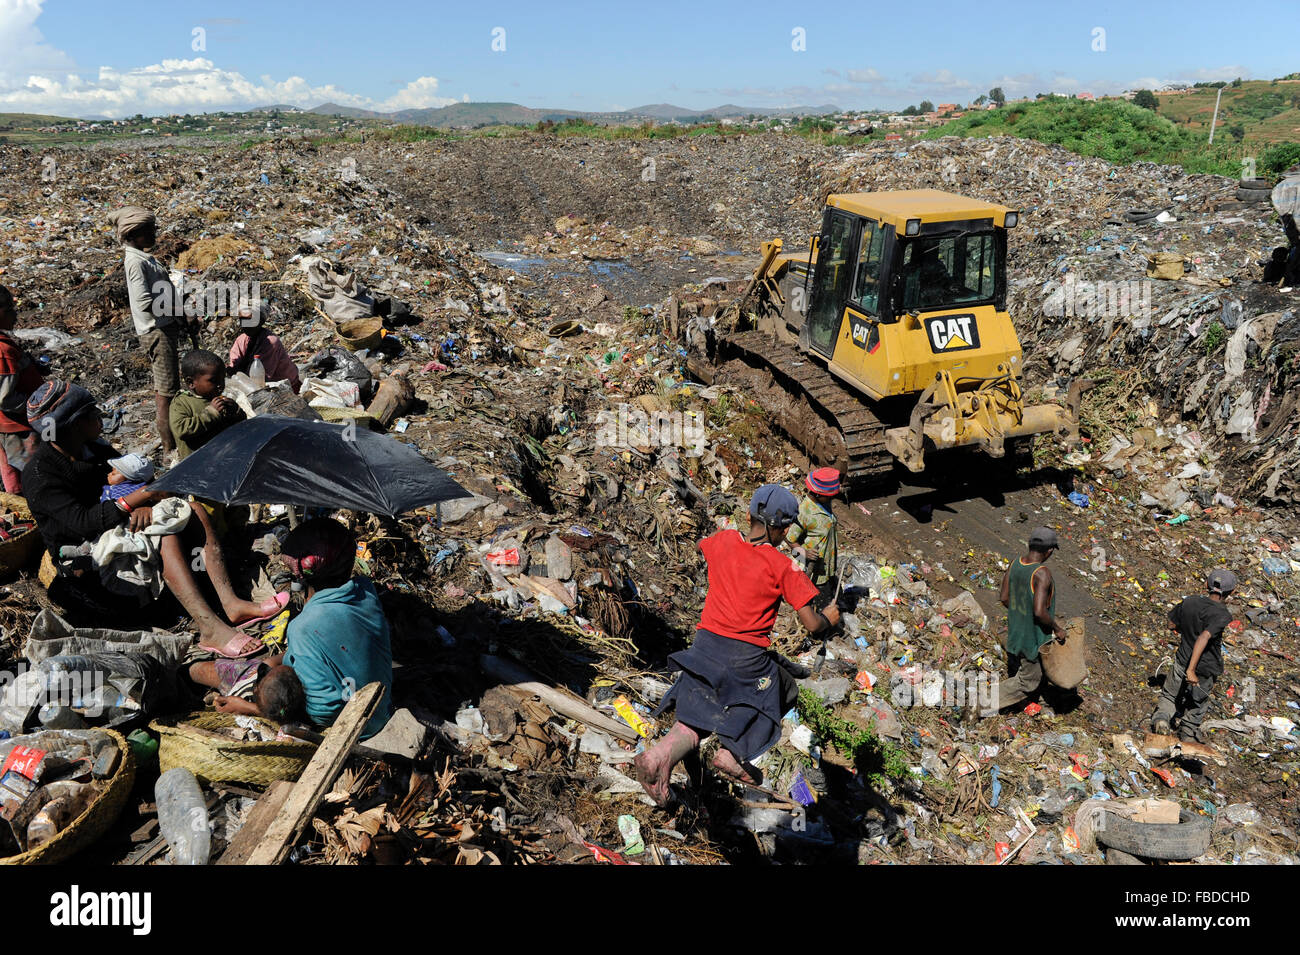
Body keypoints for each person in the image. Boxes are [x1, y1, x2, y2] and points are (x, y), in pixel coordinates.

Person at [20, 379, 274, 657]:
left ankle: (230, 603)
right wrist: (138, 500)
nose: (99, 417)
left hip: (117, 524)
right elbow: (83, 521)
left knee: (195, 511)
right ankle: (209, 626)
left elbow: (136, 480)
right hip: (86, 554)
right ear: (75, 424)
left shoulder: (94, 449)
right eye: (92, 413)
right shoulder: (40, 475)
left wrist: (145, 497)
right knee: (164, 533)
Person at [635, 484, 841, 806]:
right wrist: (830, 617)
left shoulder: (723, 541)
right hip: (744, 658)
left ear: (748, 514)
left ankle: (658, 758)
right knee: (780, 689)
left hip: (702, 650)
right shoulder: (783, 566)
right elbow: (812, 625)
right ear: (784, 529)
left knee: (695, 715)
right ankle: (733, 754)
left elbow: (705, 546)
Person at [275, 519, 393, 740]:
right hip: (382, 711)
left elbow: (324, 710)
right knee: (274, 663)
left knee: (264, 685)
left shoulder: (302, 627)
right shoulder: (365, 591)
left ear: (299, 573)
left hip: (357, 729)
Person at [110, 206, 186, 463]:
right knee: (166, 392)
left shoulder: (144, 258)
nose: (155, 233)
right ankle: (169, 451)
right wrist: (176, 310)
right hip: (156, 331)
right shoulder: (134, 262)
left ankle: (174, 442)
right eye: (149, 230)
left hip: (165, 327)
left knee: (170, 389)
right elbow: (144, 300)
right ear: (134, 233)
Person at [1150, 569, 1237, 742]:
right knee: (1197, 703)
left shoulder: (1190, 602)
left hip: (1182, 659)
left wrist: (1185, 628)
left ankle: (1161, 720)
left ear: (1206, 585)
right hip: (1204, 668)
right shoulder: (1222, 614)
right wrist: (1191, 670)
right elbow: (1204, 637)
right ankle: (1187, 734)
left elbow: (1171, 624)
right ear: (1232, 592)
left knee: (1170, 695)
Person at [996, 526, 1068, 711]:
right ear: (1050, 550)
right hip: (1032, 639)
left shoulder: (1015, 563)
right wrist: (1057, 628)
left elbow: (1004, 597)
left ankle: (1038, 701)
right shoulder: (1042, 573)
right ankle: (980, 703)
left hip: (1015, 632)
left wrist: (1020, 614)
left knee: (1032, 670)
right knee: (1027, 681)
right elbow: (1039, 611)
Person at [0, 284, 45, 493]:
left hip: (6, 426)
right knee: (33, 475)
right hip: (17, 427)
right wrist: (37, 406)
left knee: (12, 473)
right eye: (9, 309)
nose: (15, 314)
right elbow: (5, 398)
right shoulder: (3, 350)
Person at [170, 350, 245, 461]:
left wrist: (235, 412)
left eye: (222, 379)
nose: (220, 385)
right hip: (198, 463)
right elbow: (181, 430)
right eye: (213, 380)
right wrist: (210, 413)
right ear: (191, 383)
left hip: (223, 457)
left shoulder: (217, 398)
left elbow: (238, 425)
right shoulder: (181, 403)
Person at [786, 466, 840, 607]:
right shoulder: (804, 512)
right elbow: (789, 538)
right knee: (819, 608)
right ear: (817, 494)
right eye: (829, 496)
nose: (831, 498)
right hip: (814, 572)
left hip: (827, 566)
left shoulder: (824, 503)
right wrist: (804, 554)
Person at [228, 300, 301, 393]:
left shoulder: (271, 342)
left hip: (287, 389)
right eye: (242, 319)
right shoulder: (241, 340)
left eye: (250, 320)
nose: (245, 324)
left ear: (261, 321)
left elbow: (261, 379)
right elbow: (234, 366)